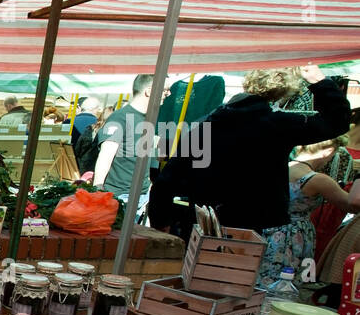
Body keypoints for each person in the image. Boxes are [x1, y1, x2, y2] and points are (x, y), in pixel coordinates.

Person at [150, 66, 350, 237]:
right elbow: (338, 121)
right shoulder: (278, 125)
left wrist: (160, 221)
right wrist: (319, 81)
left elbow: (168, 178)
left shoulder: (206, 125)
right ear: (282, 93)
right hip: (251, 226)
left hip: (205, 224)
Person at [258, 137, 360, 286]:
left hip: (267, 229)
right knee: (289, 282)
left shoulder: (276, 169)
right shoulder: (317, 180)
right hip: (294, 236)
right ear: (328, 151)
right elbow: (351, 204)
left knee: (263, 277)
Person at [93, 74, 153, 197]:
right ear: (148, 91)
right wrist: (97, 189)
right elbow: (106, 155)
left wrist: (147, 182)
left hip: (141, 193)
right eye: (165, 90)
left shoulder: (147, 118)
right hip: (120, 194)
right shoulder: (120, 117)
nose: (168, 94)